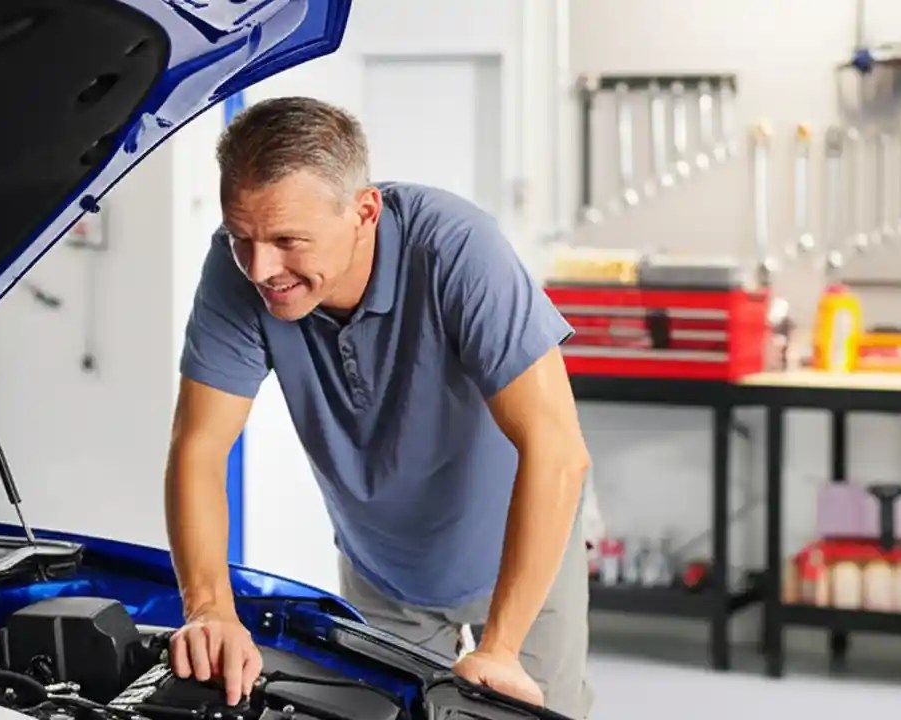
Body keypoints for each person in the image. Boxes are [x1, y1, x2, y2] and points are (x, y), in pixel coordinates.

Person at [162, 96, 594, 720]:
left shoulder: (458, 249)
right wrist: (210, 609)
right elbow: (199, 448)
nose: (261, 268)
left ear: (364, 211)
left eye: (287, 241)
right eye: (241, 238)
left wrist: (500, 649)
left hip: (519, 550)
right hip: (383, 567)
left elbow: (557, 450)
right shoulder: (239, 271)